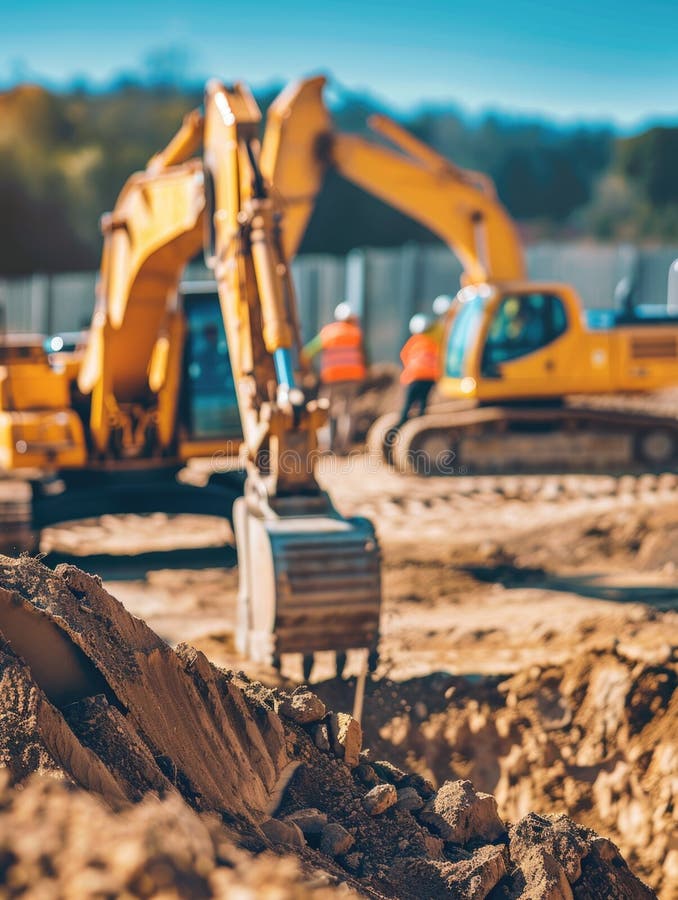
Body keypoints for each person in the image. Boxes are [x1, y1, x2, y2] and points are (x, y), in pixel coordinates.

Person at [302, 302, 366, 453]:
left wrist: (310, 371)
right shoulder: (356, 333)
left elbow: (307, 352)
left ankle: (326, 446)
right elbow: (363, 355)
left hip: (332, 378)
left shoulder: (329, 332)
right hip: (352, 378)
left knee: (325, 411)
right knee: (348, 412)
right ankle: (344, 446)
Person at [396, 313, 441, 427]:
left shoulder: (415, 341)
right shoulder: (434, 341)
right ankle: (420, 418)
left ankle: (402, 422)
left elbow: (404, 355)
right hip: (430, 378)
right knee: (423, 400)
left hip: (415, 377)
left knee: (409, 402)